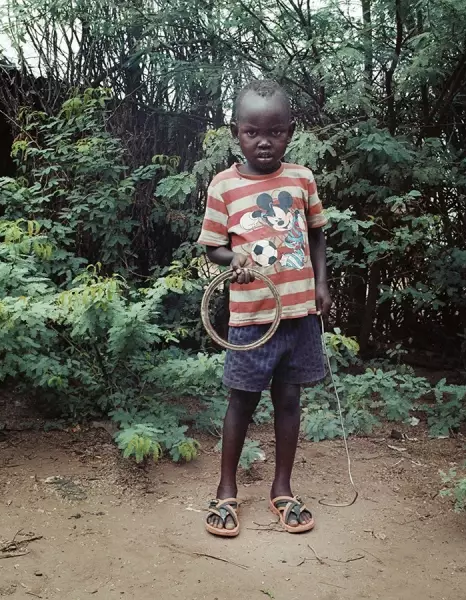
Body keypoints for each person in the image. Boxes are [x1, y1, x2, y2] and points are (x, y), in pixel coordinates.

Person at [198, 79, 330, 536]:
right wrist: (232, 258)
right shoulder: (224, 186)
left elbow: (316, 233)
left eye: (274, 132)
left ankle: (282, 489)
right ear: (237, 133)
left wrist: (322, 284)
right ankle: (225, 490)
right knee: (241, 401)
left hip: (298, 314)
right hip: (252, 319)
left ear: (290, 132)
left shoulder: (301, 179)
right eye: (253, 132)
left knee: (289, 399)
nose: (264, 141)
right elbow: (213, 246)